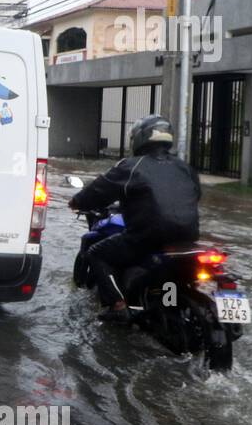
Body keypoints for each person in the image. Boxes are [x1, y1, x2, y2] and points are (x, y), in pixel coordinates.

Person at [69, 115, 201, 323]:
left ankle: (118, 305)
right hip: (187, 239)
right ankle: (163, 304)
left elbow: (100, 189)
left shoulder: (131, 166)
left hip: (147, 238)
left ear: (139, 139)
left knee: (97, 254)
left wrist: (77, 201)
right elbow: (196, 195)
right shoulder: (185, 167)